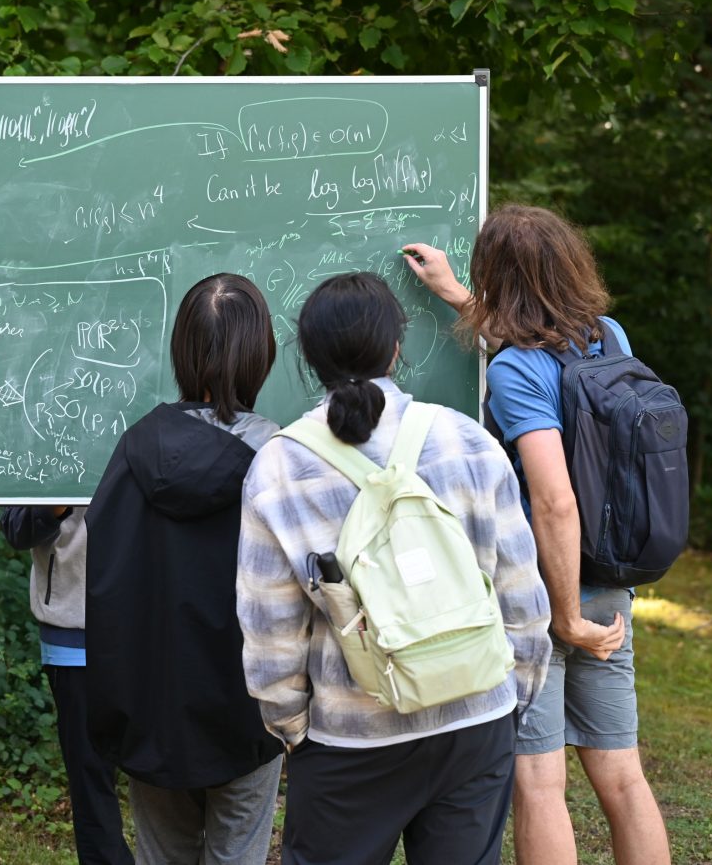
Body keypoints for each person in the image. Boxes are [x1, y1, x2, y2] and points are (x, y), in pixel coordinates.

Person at [237, 272, 552, 865]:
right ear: (397, 348)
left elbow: (269, 625)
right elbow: (522, 597)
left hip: (352, 738)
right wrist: (513, 697)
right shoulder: (468, 440)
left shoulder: (279, 465)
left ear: (308, 359)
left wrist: (293, 729)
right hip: (476, 718)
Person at [403, 202, 672, 865]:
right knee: (623, 775)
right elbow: (536, 343)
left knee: (540, 780)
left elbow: (554, 498)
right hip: (611, 581)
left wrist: (566, 616)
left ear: (499, 274)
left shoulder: (515, 371)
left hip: (545, 599)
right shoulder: (610, 336)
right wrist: (459, 300)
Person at [84, 272, 285, 865]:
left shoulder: (135, 449)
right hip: (250, 712)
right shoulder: (276, 458)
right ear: (261, 354)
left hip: (151, 712)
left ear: (180, 349)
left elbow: (106, 587)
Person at [0, 503, 135, 865]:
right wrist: (55, 504)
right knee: (91, 778)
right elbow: (16, 529)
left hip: (150, 631)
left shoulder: (160, 445)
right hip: (74, 637)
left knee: (165, 773)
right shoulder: (41, 448)